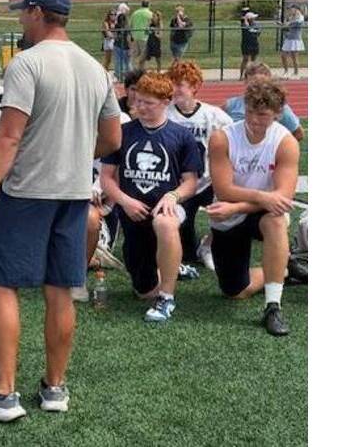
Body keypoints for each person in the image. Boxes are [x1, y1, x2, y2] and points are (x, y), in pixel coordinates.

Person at [0, 0, 122, 421]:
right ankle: (54, 388)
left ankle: (4, 394)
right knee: (60, 289)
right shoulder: (94, 68)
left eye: (22, 12)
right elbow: (111, 138)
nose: (19, 19)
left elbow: (8, 137)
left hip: (27, 192)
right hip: (73, 192)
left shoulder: (27, 64)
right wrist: (70, 154)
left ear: (35, 12)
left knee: (4, 285)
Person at [100, 72, 201, 323]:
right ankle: (171, 266)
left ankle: (167, 297)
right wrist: (125, 201)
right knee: (143, 291)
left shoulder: (182, 135)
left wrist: (173, 196)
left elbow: (191, 182)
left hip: (165, 208)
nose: (140, 107)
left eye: (148, 103)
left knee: (165, 222)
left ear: (166, 101)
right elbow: (106, 179)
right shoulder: (123, 132)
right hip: (133, 211)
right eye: (138, 101)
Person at [204, 78, 299, 336]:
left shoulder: (286, 142)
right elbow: (224, 191)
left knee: (276, 219)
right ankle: (283, 269)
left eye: (263, 115)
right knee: (234, 292)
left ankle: (273, 306)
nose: (254, 120)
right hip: (229, 216)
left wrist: (239, 207)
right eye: (249, 112)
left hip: (251, 212)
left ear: (278, 114)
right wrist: (262, 197)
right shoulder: (222, 138)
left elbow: (282, 197)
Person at [165, 60, 233, 270]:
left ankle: (209, 245)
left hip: (209, 180)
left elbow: (235, 143)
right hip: (179, 184)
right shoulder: (165, 114)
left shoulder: (215, 116)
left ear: (195, 87)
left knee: (229, 212)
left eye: (180, 84)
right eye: (172, 83)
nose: (174, 90)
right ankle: (194, 248)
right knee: (185, 247)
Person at [223, 63, 306, 142]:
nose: (256, 87)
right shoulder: (231, 105)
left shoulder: (277, 106)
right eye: (253, 83)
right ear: (245, 81)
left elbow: (298, 133)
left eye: (261, 83)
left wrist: (276, 148)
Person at [280, 5, 306, 76]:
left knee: (294, 57)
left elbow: (298, 22)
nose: (290, 11)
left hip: (295, 39)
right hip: (288, 38)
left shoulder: (300, 17)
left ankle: (296, 73)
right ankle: (286, 71)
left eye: (292, 9)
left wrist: (289, 23)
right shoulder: (291, 17)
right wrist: (283, 25)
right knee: (283, 55)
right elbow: (287, 26)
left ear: (296, 9)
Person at [130, 0, 153, 67]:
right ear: (148, 5)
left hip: (135, 36)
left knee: (135, 54)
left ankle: (134, 69)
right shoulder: (150, 14)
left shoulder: (135, 13)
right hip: (145, 37)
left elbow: (131, 24)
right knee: (144, 55)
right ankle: (141, 70)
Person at [112, 3, 133, 79]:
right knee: (127, 62)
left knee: (118, 62)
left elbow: (115, 36)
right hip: (125, 47)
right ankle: (129, 76)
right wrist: (130, 49)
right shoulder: (127, 27)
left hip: (117, 45)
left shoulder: (117, 26)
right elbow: (128, 38)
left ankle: (119, 76)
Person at [238, 7, 261, 74]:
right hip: (246, 44)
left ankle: (253, 74)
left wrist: (252, 30)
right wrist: (245, 20)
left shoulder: (256, 25)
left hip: (254, 43)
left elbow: (258, 33)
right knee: (245, 59)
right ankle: (242, 75)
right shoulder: (244, 24)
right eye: (252, 18)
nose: (254, 19)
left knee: (254, 60)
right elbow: (246, 28)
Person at [101, 10, 116, 77]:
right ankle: (104, 72)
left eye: (115, 14)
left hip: (113, 41)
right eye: (112, 14)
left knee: (111, 59)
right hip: (108, 42)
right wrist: (114, 36)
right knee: (107, 59)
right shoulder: (106, 23)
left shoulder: (115, 22)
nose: (113, 16)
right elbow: (108, 33)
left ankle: (106, 72)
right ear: (109, 15)